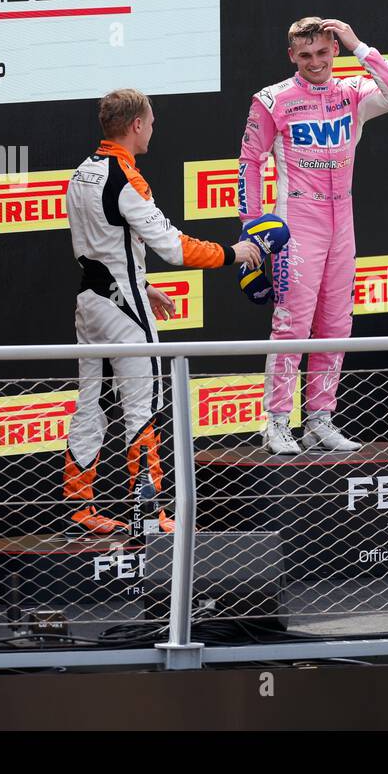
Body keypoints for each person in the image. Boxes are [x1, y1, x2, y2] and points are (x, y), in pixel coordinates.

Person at [64, 89, 261, 533]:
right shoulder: (126, 177)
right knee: (143, 406)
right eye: (150, 122)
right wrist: (233, 253)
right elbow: (173, 248)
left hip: (91, 301)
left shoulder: (82, 172)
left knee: (90, 404)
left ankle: (79, 508)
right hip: (124, 311)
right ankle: (149, 513)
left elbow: (99, 249)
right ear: (136, 126)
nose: (153, 128)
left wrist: (143, 284)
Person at [238, 17, 388, 454]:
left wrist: (358, 44)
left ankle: (319, 419)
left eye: (322, 52)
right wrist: (253, 228)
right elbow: (249, 162)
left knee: (335, 325)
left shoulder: (352, 92)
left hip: (342, 222)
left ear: (333, 50)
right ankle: (277, 422)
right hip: (297, 223)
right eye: (305, 55)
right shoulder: (272, 99)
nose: (315, 62)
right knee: (292, 325)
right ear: (292, 55)